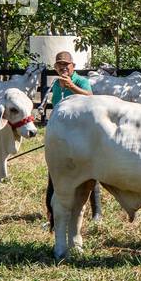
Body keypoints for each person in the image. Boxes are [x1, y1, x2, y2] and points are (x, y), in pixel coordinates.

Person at [43, 50, 100, 221]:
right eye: (60, 65)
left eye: (66, 65)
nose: (63, 68)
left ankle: (97, 211)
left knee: (90, 171)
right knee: (55, 170)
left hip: (82, 132)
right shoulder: (55, 84)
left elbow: (91, 98)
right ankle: (52, 211)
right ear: (55, 67)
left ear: (73, 66)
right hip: (61, 133)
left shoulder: (81, 81)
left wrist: (72, 87)